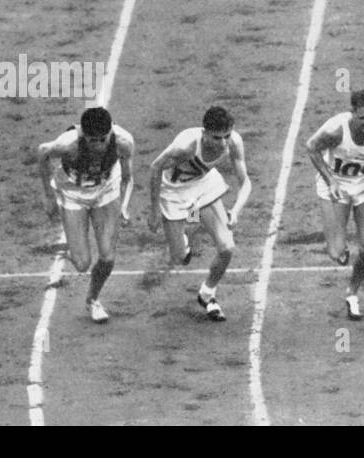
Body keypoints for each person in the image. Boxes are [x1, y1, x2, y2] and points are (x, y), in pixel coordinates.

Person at [147, 106, 253, 321]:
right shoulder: (185, 146)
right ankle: (184, 239)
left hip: (203, 185)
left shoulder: (234, 143)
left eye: (227, 136)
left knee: (227, 247)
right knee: (179, 258)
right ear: (204, 133)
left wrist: (236, 210)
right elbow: (155, 168)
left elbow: (246, 183)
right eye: (217, 137)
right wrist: (154, 209)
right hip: (173, 192)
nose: (223, 143)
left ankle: (207, 294)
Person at [305, 88, 364, 321]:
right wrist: (330, 180)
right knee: (336, 252)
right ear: (352, 112)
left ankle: (352, 293)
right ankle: (342, 250)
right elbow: (311, 148)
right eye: (363, 117)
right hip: (335, 184)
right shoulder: (336, 129)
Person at [36, 106, 134, 323]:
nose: (98, 145)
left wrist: (125, 205)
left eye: (103, 139)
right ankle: (72, 248)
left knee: (107, 257)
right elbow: (42, 152)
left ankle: (92, 299)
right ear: (84, 136)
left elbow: (128, 177)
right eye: (92, 140)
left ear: (110, 132)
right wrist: (48, 196)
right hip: (72, 192)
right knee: (82, 264)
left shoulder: (123, 142)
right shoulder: (68, 144)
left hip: (106, 189)